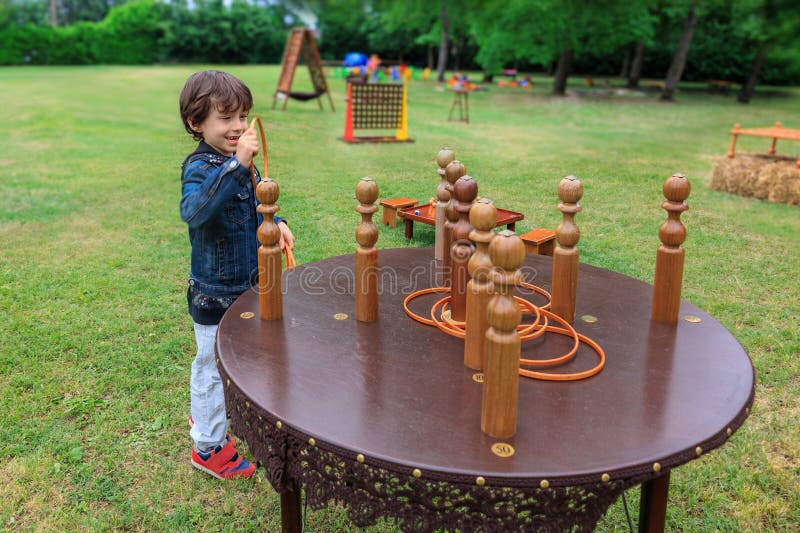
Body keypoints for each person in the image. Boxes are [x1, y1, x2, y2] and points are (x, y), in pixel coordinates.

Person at [178, 70, 294, 479]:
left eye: (243, 116)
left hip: (248, 285)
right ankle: (208, 448)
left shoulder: (240, 163)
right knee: (211, 366)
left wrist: (276, 221)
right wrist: (237, 164)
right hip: (215, 293)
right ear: (197, 123)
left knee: (242, 358)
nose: (239, 127)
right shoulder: (200, 167)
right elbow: (195, 211)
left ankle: (208, 417)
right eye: (226, 117)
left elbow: (255, 202)